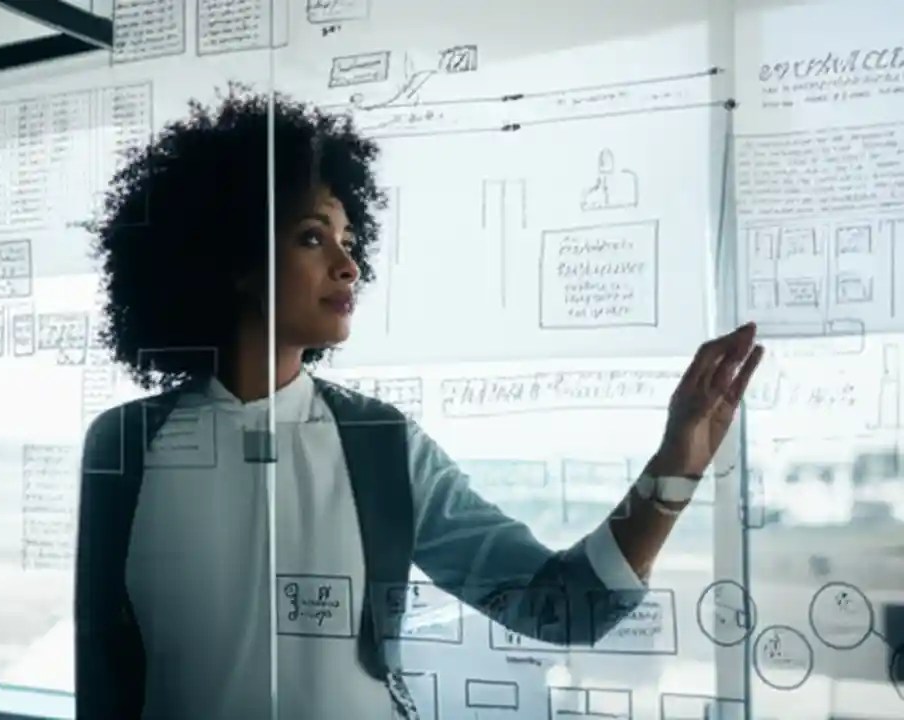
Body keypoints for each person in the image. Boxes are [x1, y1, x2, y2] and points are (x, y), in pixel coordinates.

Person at [75, 85, 764, 720]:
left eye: (349, 242)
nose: (348, 265)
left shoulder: (379, 442)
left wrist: (677, 465)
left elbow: (561, 607)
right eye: (312, 237)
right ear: (235, 259)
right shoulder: (125, 445)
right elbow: (103, 668)